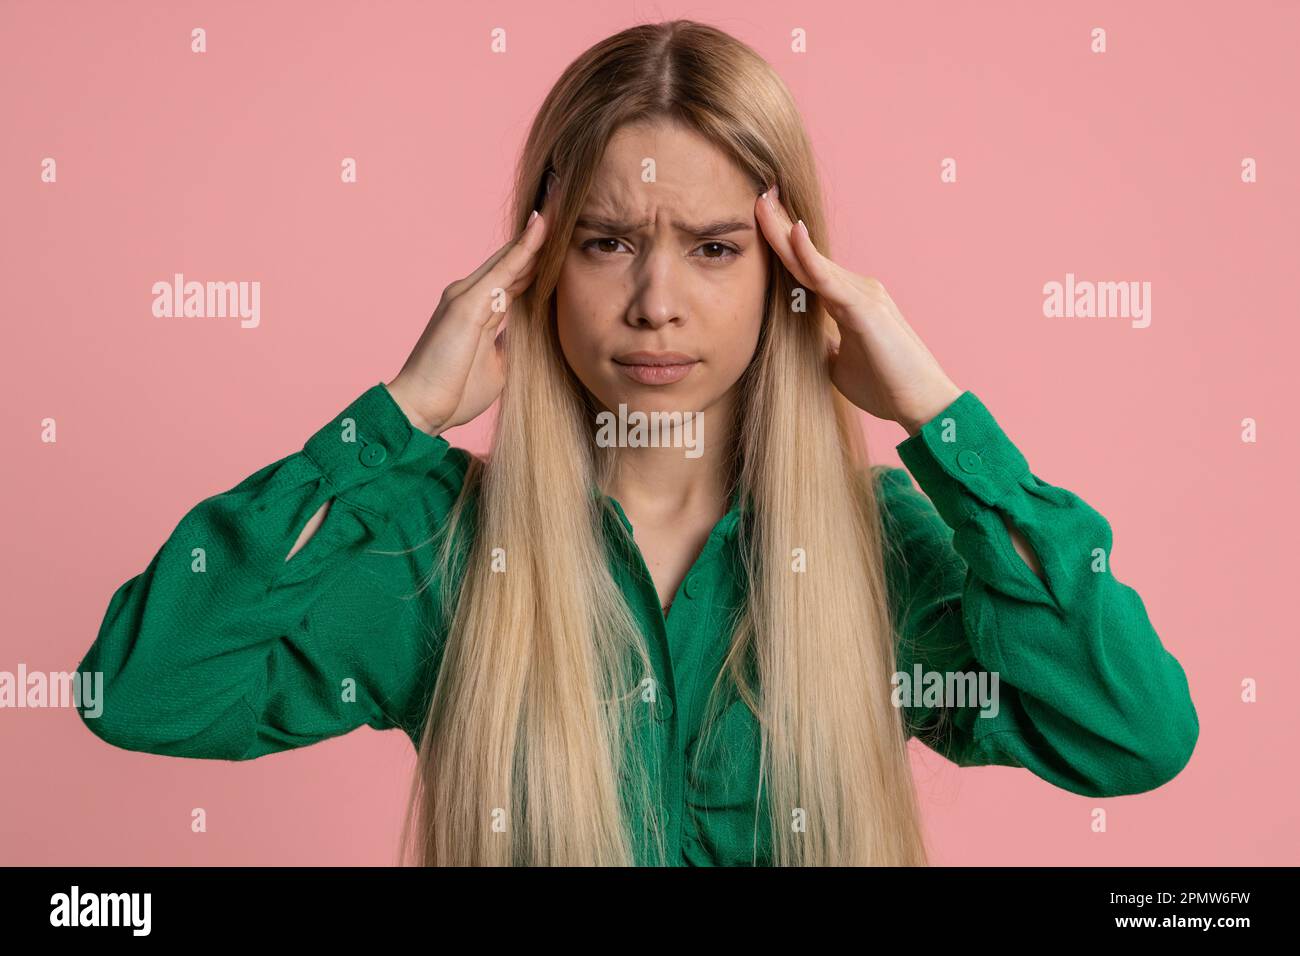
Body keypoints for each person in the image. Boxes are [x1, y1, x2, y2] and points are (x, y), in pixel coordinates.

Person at [74, 20, 1198, 866]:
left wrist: (935, 414)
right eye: (609, 241)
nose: (656, 302)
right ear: (538, 264)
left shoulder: (881, 552)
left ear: (789, 273)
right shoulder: (431, 546)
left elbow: (1130, 733)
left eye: (714, 248)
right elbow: (137, 690)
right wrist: (396, 416)